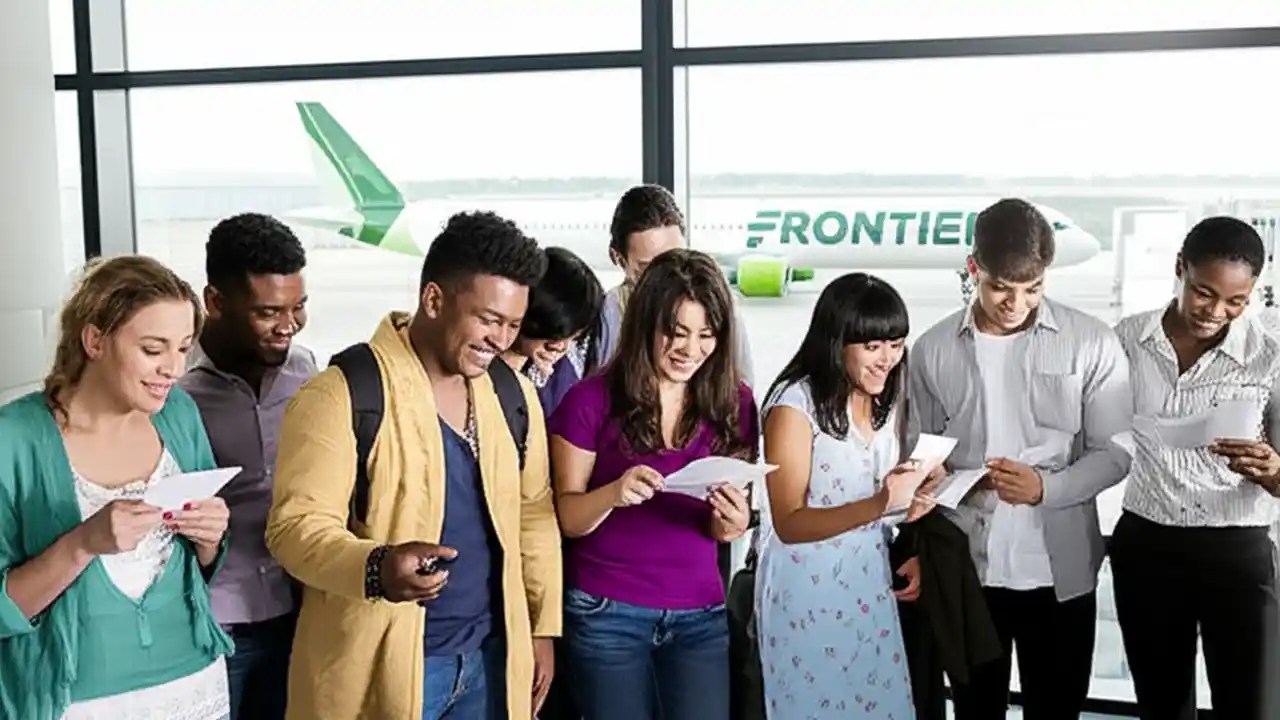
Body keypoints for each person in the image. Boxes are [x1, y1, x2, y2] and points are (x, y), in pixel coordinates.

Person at [266, 210, 562, 720]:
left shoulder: (513, 395)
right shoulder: (342, 394)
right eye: (489, 320)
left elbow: (533, 513)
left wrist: (540, 628)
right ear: (433, 299)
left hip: (493, 659)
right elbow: (294, 529)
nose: (500, 340)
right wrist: (377, 567)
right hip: (384, 664)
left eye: (512, 326)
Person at [907, 198, 1132, 719]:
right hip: (970, 572)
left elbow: (1117, 453)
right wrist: (960, 482)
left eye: (1032, 289)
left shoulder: (1091, 342)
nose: (1016, 302)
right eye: (1000, 288)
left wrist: (1045, 489)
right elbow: (918, 462)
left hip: (1061, 575)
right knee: (974, 712)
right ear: (974, 269)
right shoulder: (933, 349)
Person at [0, 255, 233, 720]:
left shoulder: (179, 414)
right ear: (95, 340)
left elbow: (204, 564)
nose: (173, 368)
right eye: (153, 349)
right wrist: (84, 543)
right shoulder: (14, 439)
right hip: (75, 701)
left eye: (184, 348)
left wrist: (211, 538)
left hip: (194, 684)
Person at [548, 247, 758, 720]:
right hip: (608, 612)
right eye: (676, 332)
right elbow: (567, 517)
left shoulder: (735, 403)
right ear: (646, 324)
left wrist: (735, 522)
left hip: (700, 614)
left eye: (707, 335)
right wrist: (613, 493)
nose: (690, 349)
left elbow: (724, 528)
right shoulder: (591, 400)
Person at [1110, 216, 1280, 720]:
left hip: (1238, 553)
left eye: (1236, 302)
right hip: (1147, 546)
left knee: (1252, 707)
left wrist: (1271, 469)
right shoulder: (1127, 340)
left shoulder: (1268, 358)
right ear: (1179, 268)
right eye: (1204, 293)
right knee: (1162, 707)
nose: (1216, 312)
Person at [756, 272, 939, 719]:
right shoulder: (793, 407)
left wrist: (909, 505)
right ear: (836, 341)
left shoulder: (880, 397)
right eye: (873, 346)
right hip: (807, 595)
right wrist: (881, 504)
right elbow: (789, 522)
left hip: (865, 584)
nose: (888, 359)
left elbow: (872, 498)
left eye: (895, 344)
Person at [178, 213, 316, 720]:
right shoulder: (173, 389)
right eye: (268, 312)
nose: (288, 326)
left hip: (299, 612)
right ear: (214, 303)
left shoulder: (305, 369)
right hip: (215, 626)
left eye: (298, 307)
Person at [599, 184, 754, 389]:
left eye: (679, 258)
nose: (669, 277)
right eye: (649, 267)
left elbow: (743, 386)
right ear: (618, 258)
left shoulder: (720, 303)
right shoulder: (613, 310)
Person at [500, 245, 604, 416]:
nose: (560, 347)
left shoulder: (560, 375)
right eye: (553, 335)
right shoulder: (480, 365)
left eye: (573, 337)